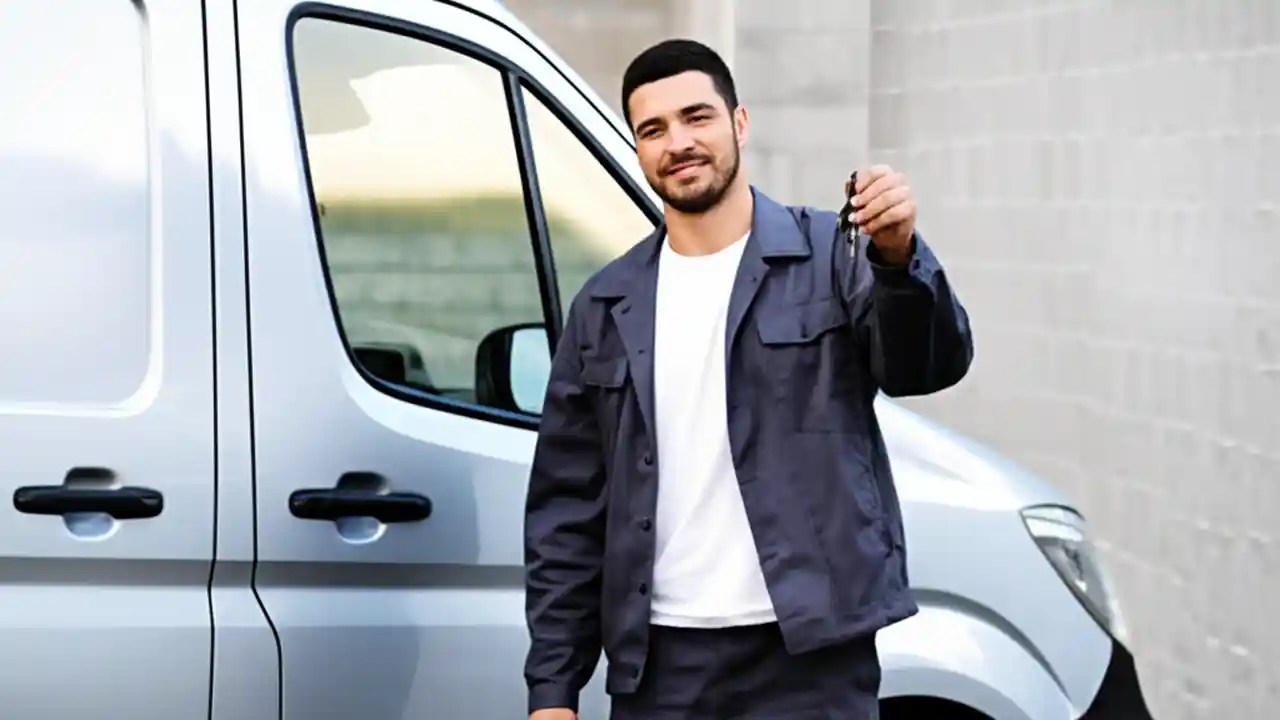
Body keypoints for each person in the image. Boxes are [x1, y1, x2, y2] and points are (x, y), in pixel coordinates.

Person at [523, 38, 974, 720]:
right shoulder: (605, 307)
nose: (678, 141)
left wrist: (897, 255)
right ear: (639, 149)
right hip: (659, 671)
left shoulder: (832, 255)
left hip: (809, 664)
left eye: (696, 117)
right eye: (654, 129)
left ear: (739, 123)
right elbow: (566, 513)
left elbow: (924, 367)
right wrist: (552, 694)